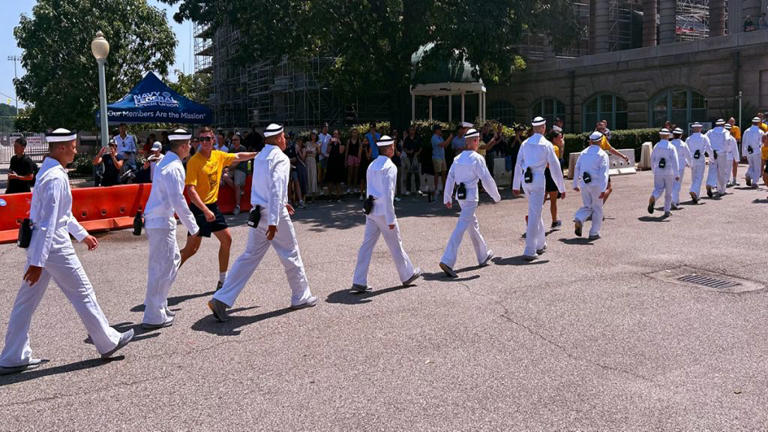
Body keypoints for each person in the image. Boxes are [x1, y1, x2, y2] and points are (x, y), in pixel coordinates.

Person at [0, 129, 133, 375]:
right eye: (73, 145)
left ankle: (12, 356)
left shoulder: (51, 172)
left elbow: (62, 215)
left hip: (45, 247)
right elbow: (50, 222)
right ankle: (106, 341)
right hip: (54, 247)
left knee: (25, 303)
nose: (75, 149)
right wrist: (38, 262)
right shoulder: (54, 177)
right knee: (83, 292)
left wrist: (83, 235)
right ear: (61, 147)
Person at [208, 124, 318, 321]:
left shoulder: (260, 157)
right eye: (283, 136)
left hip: (258, 211)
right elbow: (275, 188)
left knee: (249, 256)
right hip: (272, 215)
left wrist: (283, 204)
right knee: (291, 254)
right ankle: (301, 296)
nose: (285, 140)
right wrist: (275, 220)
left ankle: (221, 298)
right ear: (277, 138)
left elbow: (264, 186)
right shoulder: (281, 158)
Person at [180, 127, 257, 291]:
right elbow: (190, 191)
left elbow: (237, 156)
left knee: (226, 240)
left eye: (207, 138)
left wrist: (256, 154)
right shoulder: (194, 161)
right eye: (201, 139)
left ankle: (222, 281)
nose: (205, 142)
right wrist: (205, 211)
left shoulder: (218, 155)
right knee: (191, 250)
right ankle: (165, 275)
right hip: (199, 208)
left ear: (213, 139)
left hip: (212, 207)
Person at [141, 129, 200, 329]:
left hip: (159, 221)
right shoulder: (174, 167)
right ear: (183, 146)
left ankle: (159, 304)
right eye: (190, 144)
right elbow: (178, 200)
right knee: (160, 268)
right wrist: (193, 227)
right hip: (160, 223)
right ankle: (153, 315)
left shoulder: (166, 162)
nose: (191, 147)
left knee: (172, 261)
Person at [350, 135, 422, 293]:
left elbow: (370, 190)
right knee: (396, 244)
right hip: (383, 212)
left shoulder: (372, 165)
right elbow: (389, 195)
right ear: (389, 148)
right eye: (393, 146)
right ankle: (407, 275)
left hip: (371, 211)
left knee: (366, 246)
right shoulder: (390, 167)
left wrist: (368, 209)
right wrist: (390, 219)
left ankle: (359, 280)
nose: (394, 149)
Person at [438, 128, 500, 278]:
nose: (479, 142)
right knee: (462, 226)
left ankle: (483, 255)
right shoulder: (477, 158)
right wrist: (495, 195)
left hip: (461, 196)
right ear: (474, 141)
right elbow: (486, 179)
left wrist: (447, 197)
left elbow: (450, 178)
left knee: (473, 225)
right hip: (471, 196)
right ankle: (447, 260)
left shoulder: (458, 158)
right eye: (478, 140)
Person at [512, 117, 566, 261]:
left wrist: (516, 185)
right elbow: (555, 167)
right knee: (534, 214)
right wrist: (561, 187)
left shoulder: (525, 143)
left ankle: (541, 243)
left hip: (526, 180)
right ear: (543, 128)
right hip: (538, 179)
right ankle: (530, 249)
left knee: (536, 210)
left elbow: (518, 164)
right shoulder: (546, 144)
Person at [573, 132, 610, 240]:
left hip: (584, 183)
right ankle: (594, 232)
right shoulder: (602, 154)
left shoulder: (583, 153)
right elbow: (604, 174)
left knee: (587, 206)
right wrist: (604, 189)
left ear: (590, 141)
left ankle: (579, 218)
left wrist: (575, 183)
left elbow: (577, 167)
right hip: (597, 185)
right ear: (601, 141)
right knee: (597, 208)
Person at [648, 128, 680, 217]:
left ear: (660, 135)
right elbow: (675, 161)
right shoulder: (671, 147)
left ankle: (654, 196)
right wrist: (677, 174)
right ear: (668, 136)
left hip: (658, 170)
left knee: (658, 188)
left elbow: (652, 159)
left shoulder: (656, 146)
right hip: (669, 171)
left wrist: (653, 170)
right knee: (669, 192)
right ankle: (667, 210)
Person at [595, 121, 629, 204]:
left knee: (598, 189)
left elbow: (610, 149)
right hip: (601, 167)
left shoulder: (594, 138)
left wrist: (622, 156)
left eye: (604, 128)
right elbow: (610, 149)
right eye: (602, 129)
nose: (604, 130)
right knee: (608, 188)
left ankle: (595, 207)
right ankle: (597, 207)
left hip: (593, 167)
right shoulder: (601, 139)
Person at [544, 129, 565, 228]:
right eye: (560, 138)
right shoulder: (555, 148)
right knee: (553, 201)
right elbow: (555, 164)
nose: (561, 139)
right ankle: (554, 221)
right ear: (554, 139)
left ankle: (532, 217)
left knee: (542, 199)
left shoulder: (547, 146)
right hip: (552, 177)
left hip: (544, 175)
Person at [686, 122, 711, 203]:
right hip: (700, 158)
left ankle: (696, 194)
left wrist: (687, 161)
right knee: (699, 177)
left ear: (693, 129)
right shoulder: (704, 137)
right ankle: (694, 191)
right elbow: (709, 148)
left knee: (694, 177)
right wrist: (712, 158)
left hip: (692, 158)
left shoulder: (689, 139)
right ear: (700, 128)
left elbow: (686, 151)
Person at [225, 133, 248, 215]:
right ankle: (240, 191)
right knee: (225, 176)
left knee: (237, 183)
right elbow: (228, 161)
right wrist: (226, 168)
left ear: (239, 140)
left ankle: (237, 206)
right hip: (232, 169)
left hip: (240, 169)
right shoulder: (231, 149)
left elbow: (237, 163)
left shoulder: (243, 148)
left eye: (236, 140)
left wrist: (228, 168)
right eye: (233, 140)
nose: (234, 141)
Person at [706, 119, 730, 198]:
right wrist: (725, 149)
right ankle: (721, 190)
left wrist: (709, 150)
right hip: (721, 153)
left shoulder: (710, 132)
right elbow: (727, 140)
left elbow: (704, 139)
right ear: (723, 124)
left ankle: (709, 183)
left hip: (713, 153)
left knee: (712, 169)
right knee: (721, 172)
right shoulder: (725, 131)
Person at [669, 128, 691, 209]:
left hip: (671, 166)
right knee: (677, 184)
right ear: (681, 135)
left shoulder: (670, 144)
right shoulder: (683, 144)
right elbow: (688, 155)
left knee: (671, 184)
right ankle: (674, 201)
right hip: (680, 167)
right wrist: (690, 164)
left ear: (673, 135)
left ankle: (675, 200)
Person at [431, 125, 453, 200]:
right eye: (439, 130)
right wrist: (450, 137)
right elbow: (442, 144)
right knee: (437, 173)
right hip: (436, 157)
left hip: (442, 157)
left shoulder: (440, 137)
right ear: (436, 130)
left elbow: (445, 145)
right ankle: (436, 189)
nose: (441, 131)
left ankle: (444, 189)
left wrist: (449, 139)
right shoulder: (434, 137)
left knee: (444, 172)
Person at [284, 132, 305, 208]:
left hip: (293, 168)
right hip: (285, 169)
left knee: (297, 182)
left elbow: (295, 158)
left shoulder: (292, 147)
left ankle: (300, 201)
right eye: (285, 138)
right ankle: (289, 201)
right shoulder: (281, 148)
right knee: (288, 184)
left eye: (288, 138)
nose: (287, 139)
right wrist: (288, 160)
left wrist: (288, 160)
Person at [742, 117, 764, 188]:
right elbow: (762, 143)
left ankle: (748, 174)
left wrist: (744, 153)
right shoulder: (760, 132)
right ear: (758, 123)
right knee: (757, 167)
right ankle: (754, 182)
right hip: (757, 151)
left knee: (751, 166)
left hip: (748, 152)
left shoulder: (746, 131)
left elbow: (744, 142)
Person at [325, 129, 346, 201]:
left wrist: (339, 143)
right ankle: (330, 196)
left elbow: (341, 151)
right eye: (334, 134)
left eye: (336, 134)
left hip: (338, 163)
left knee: (338, 181)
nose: (335, 135)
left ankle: (338, 196)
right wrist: (329, 143)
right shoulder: (331, 143)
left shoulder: (342, 142)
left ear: (339, 135)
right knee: (330, 180)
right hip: (331, 162)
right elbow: (327, 151)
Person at [402, 126, 421, 195]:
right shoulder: (407, 139)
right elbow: (404, 148)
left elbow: (421, 147)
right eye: (410, 130)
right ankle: (408, 190)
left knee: (416, 173)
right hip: (408, 157)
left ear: (414, 131)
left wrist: (417, 153)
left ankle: (418, 189)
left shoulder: (417, 138)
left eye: (413, 130)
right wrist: (408, 151)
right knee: (409, 174)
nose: (412, 131)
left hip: (416, 157)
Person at [304, 130, 320, 201]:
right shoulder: (307, 143)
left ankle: (313, 194)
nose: (313, 136)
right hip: (307, 160)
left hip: (313, 160)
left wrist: (317, 149)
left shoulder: (317, 144)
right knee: (308, 176)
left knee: (313, 176)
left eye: (314, 135)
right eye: (312, 135)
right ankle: (308, 194)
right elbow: (305, 152)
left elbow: (319, 153)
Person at [345, 129, 362, 193]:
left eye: (355, 132)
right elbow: (346, 150)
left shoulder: (359, 141)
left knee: (355, 174)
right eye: (353, 132)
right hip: (350, 157)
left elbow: (360, 151)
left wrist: (359, 159)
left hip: (356, 158)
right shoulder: (349, 141)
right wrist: (345, 160)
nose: (354, 134)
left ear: (357, 134)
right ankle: (349, 187)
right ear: (351, 133)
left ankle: (355, 187)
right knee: (350, 173)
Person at [359, 136, 372, 200]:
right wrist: (361, 148)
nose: (365, 142)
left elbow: (368, 157)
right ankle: (361, 194)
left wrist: (366, 150)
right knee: (362, 180)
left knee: (368, 180)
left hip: (368, 164)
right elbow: (359, 156)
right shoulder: (361, 147)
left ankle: (367, 194)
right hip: (362, 164)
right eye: (364, 141)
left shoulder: (370, 148)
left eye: (366, 141)